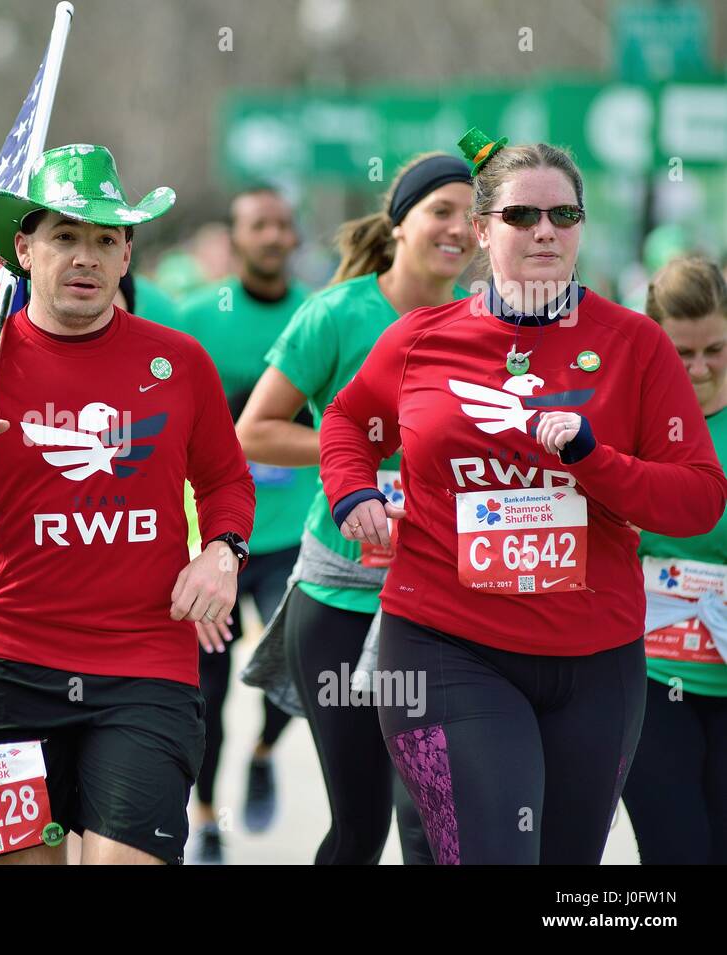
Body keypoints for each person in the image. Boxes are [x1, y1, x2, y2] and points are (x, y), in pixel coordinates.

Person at [320, 128, 727, 864]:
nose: (544, 231)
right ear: (480, 230)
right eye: (520, 216)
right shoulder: (420, 340)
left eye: (563, 215)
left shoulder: (636, 346)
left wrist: (592, 459)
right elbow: (348, 418)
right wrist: (352, 493)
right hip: (445, 645)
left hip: (596, 659)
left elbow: (697, 500)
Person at [0, 144, 256, 865]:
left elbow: (225, 480)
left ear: (127, 255)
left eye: (104, 240)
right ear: (24, 249)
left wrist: (222, 550)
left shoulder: (178, 361)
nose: (85, 257)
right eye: (65, 236)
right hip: (8, 673)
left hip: (144, 669)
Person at [236, 153, 474, 864]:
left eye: (473, 214)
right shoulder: (337, 314)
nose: (459, 228)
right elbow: (256, 429)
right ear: (400, 223)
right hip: (341, 592)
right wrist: (358, 465)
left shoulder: (487, 324)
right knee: (361, 826)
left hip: (443, 596)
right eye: (440, 211)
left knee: (432, 817)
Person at [167, 186, 318, 862]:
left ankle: (263, 752)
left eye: (283, 225)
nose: (273, 235)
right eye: (259, 224)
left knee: (304, 665)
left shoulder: (318, 315)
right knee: (207, 692)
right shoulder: (200, 319)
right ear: (235, 237)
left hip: (292, 530)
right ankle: (206, 819)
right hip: (210, 535)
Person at [621, 256, 727, 864]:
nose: (700, 368)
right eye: (681, 352)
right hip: (652, 670)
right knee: (675, 851)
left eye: (716, 348)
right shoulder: (627, 415)